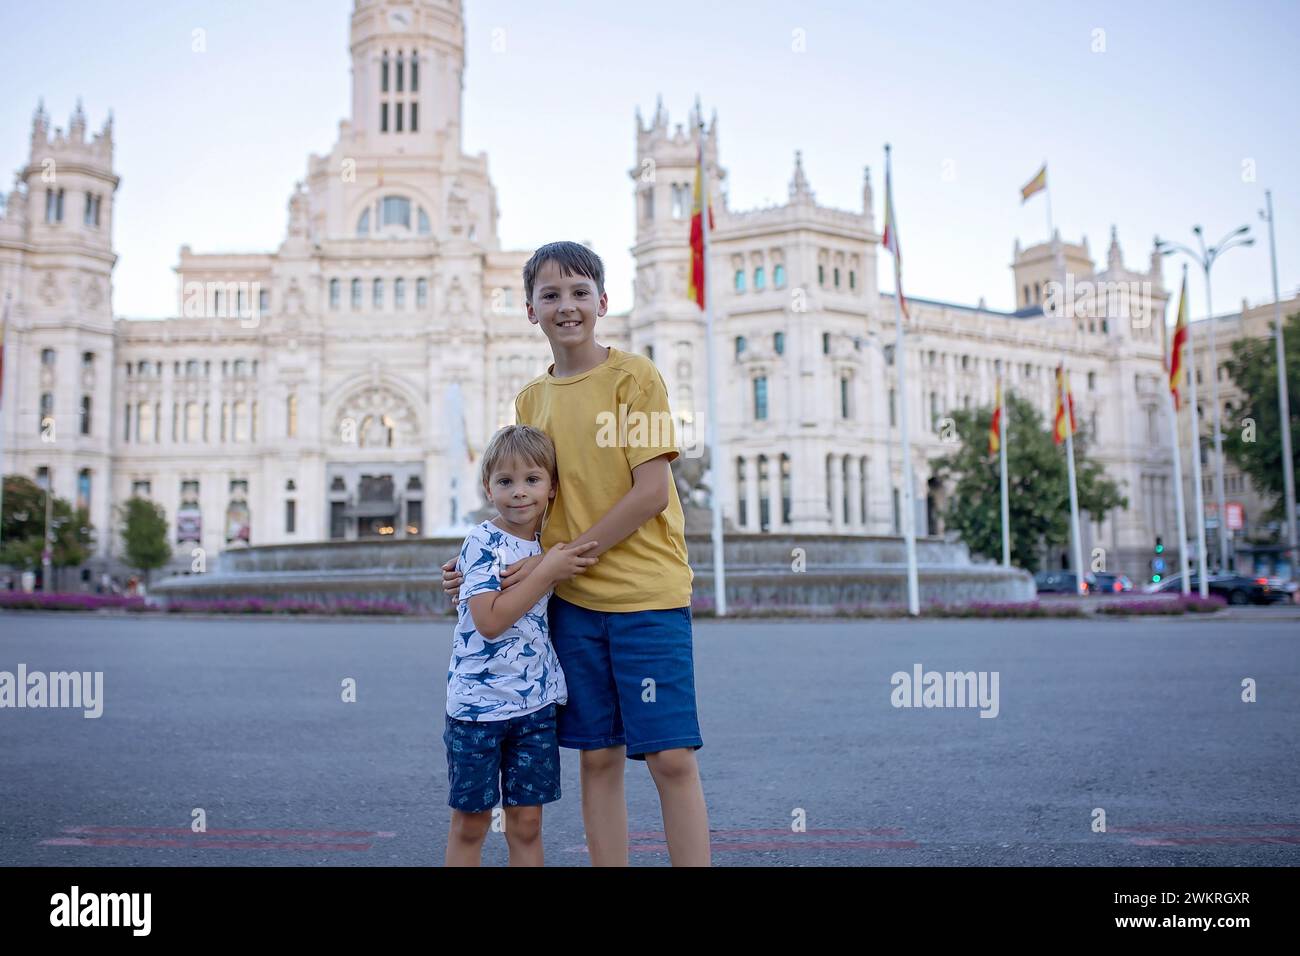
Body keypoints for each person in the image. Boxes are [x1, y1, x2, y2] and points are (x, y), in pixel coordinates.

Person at [443, 241, 711, 866]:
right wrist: (480, 567)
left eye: (580, 292)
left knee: (671, 757)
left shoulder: (636, 378)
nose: (567, 306)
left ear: (603, 302)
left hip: (647, 593)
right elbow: (526, 505)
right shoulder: (530, 402)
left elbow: (651, 493)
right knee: (598, 756)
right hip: (573, 605)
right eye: (551, 295)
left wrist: (550, 559)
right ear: (530, 310)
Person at [443, 423, 599, 866]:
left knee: (527, 825)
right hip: (477, 706)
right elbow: (488, 621)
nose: (519, 492)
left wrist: (547, 561)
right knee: (471, 823)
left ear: (551, 488)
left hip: (532, 705)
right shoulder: (481, 541)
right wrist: (546, 572)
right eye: (505, 481)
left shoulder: (548, 543)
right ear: (488, 488)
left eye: (532, 480)